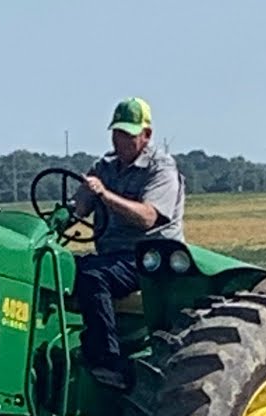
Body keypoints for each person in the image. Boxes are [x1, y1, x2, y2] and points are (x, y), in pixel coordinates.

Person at [71, 96, 185, 390]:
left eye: (127, 134)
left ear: (146, 134)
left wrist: (105, 195)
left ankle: (108, 361)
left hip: (150, 258)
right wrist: (72, 209)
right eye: (117, 133)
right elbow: (78, 208)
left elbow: (148, 217)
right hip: (111, 255)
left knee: (93, 275)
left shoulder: (161, 169)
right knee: (62, 270)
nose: (120, 140)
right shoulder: (104, 167)